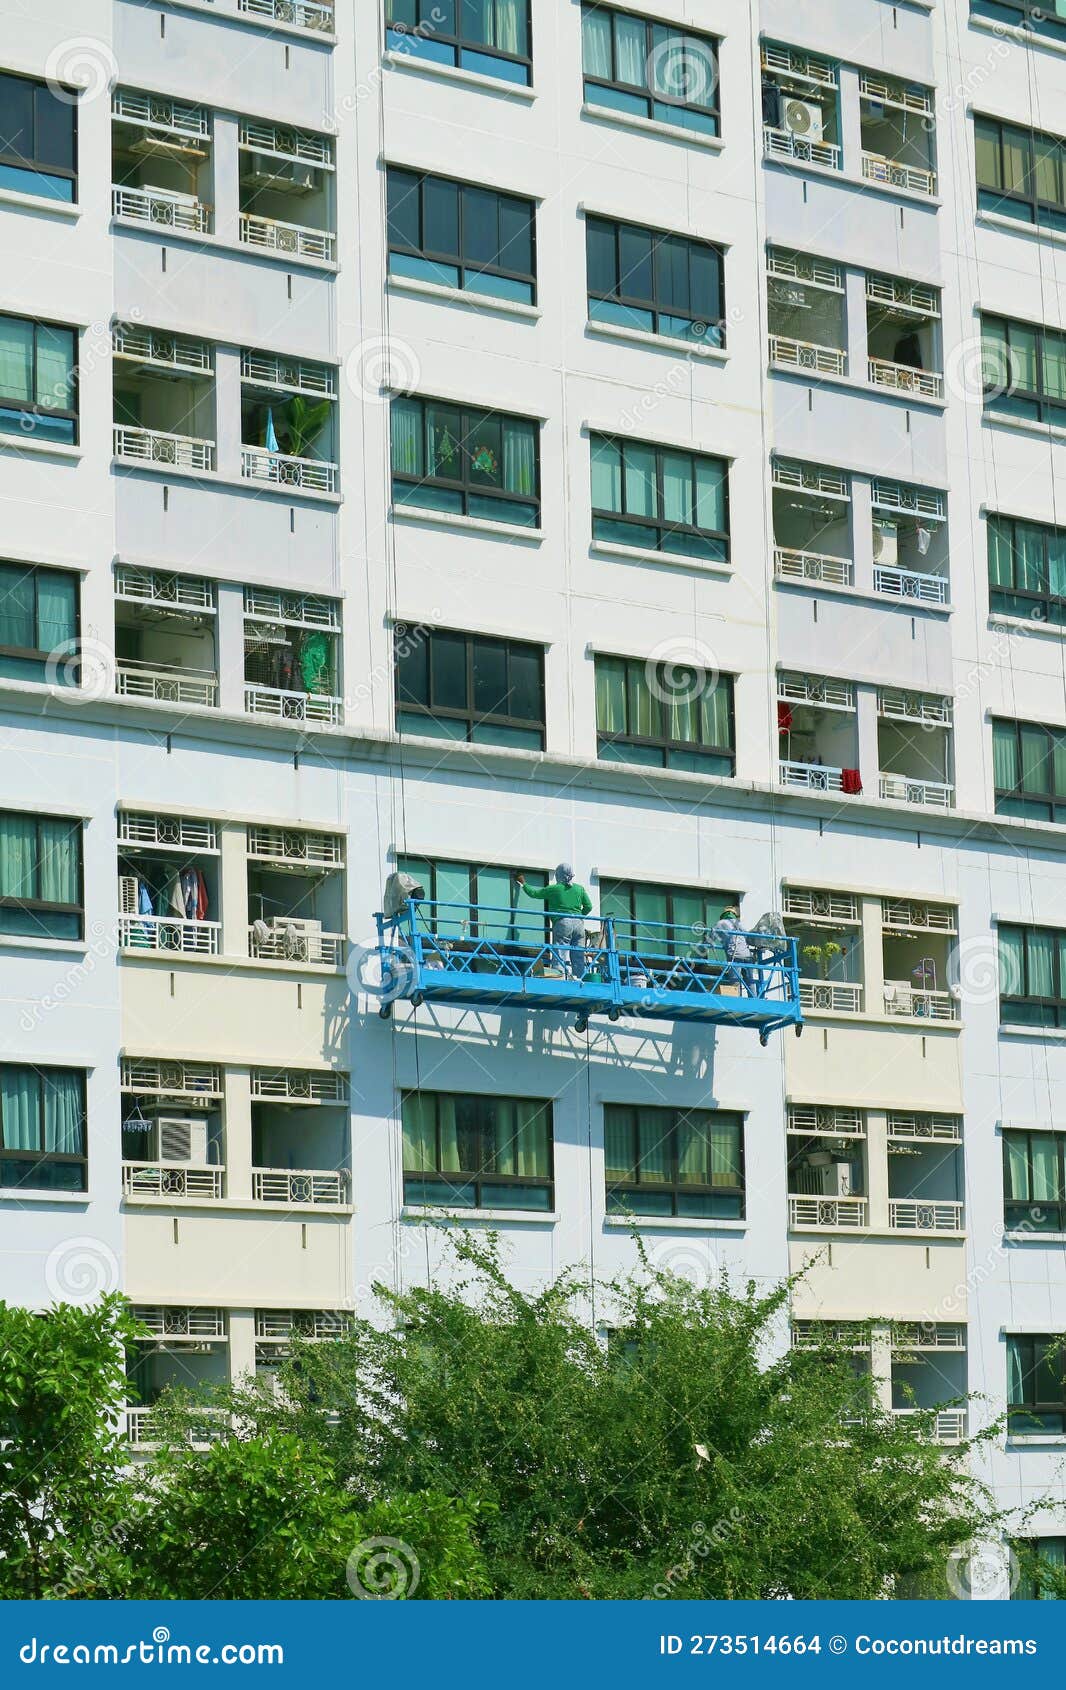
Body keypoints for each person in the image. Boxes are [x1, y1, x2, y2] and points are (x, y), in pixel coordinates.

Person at [515, 864, 593, 979]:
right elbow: (589, 906)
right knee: (578, 955)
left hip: (563, 922)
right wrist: (579, 916)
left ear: (559, 875)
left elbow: (534, 893)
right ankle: (580, 978)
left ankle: (559, 977)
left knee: (560, 952)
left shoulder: (554, 889)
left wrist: (523, 883)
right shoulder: (579, 889)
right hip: (579, 924)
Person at [710, 904, 754, 994]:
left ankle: (737, 1001)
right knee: (750, 982)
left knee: (735, 981)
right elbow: (748, 936)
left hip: (735, 955)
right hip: (747, 955)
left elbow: (711, 938)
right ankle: (755, 1000)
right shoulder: (739, 923)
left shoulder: (721, 923)